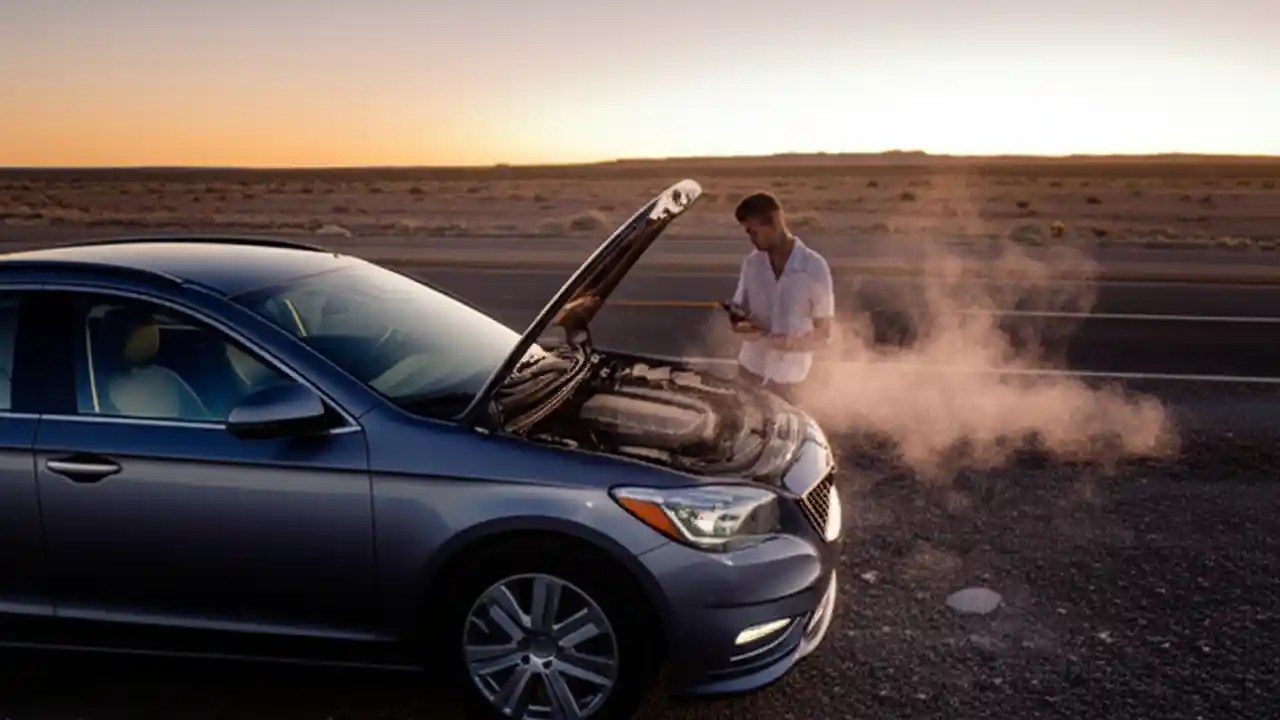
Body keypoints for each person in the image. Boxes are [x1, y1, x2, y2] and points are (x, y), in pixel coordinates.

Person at [724, 191, 835, 403]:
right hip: (750, 371)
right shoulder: (752, 264)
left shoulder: (814, 267)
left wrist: (791, 344)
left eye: (753, 232)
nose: (751, 240)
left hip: (790, 381)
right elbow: (740, 309)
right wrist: (737, 321)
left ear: (773, 223)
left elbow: (824, 333)